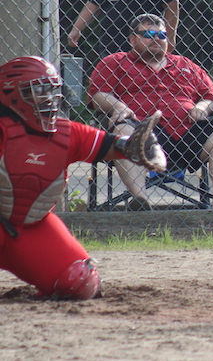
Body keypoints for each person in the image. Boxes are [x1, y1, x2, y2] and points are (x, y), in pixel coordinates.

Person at [1, 56, 167, 300]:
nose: (48, 98)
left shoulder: (64, 133)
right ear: (10, 95)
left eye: (52, 90)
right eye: (38, 90)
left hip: (28, 228)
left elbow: (114, 145)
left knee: (77, 281)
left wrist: (138, 147)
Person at [88, 13, 213, 210]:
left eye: (162, 35)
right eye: (148, 33)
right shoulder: (115, 62)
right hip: (143, 136)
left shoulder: (185, 64)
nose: (156, 39)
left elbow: (212, 96)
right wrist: (119, 107)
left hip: (188, 136)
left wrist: (201, 107)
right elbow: (98, 95)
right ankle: (141, 202)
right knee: (123, 131)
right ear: (132, 39)